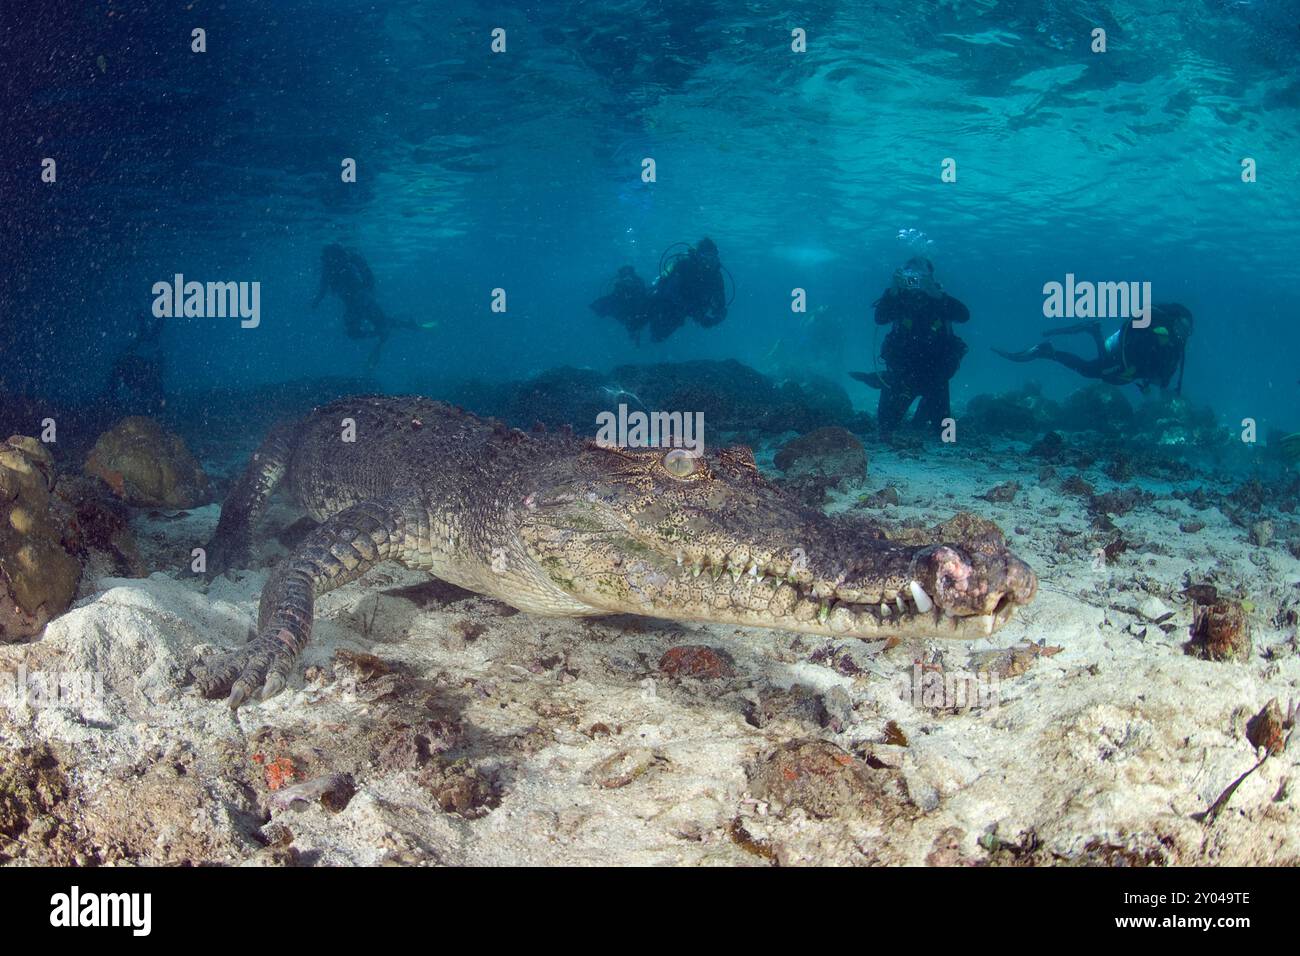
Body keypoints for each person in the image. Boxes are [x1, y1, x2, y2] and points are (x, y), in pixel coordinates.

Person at [849, 257, 970, 439]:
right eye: (911, 275)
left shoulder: (939, 298)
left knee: (946, 435)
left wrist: (935, 293)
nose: (916, 281)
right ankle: (885, 382)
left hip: (936, 374)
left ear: (930, 276)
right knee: (885, 426)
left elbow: (964, 316)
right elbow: (880, 318)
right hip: (903, 374)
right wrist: (893, 290)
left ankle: (924, 409)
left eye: (921, 275)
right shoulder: (899, 298)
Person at [994, 303, 1194, 394]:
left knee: (1089, 370)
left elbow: (1160, 373)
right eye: (1182, 327)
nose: (1183, 334)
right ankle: (1093, 331)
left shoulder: (1173, 347)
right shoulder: (1160, 334)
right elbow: (1138, 351)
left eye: (1187, 330)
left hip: (1126, 367)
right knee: (1096, 372)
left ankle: (1047, 352)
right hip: (1121, 357)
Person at [312, 243, 432, 368]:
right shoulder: (329, 269)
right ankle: (395, 327)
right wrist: (317, 301)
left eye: (326, 257)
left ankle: (402, 326)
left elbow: (368, 279)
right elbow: (323, 288)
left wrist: (365, 295)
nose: (324, 260)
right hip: (354, 305)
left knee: (374, 326)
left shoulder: (349, 262)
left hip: (365, 302)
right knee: (355, 333)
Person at [594, 238, 728, 344]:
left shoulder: (716, 276)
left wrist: (716, 318)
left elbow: (721, 304)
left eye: (713, 258)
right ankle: (628, 284)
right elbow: (670, 292)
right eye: (706, 257)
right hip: (663, 303)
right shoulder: (684, 266)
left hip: (682, 311)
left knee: (657, 338)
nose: (709, 263)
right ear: (698, 256)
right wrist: (694, 311)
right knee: (636, 320)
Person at [103, 312, 166, 414]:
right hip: (142, 371)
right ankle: (145, 319)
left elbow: (156, 383)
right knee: (152, 338)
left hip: (143, 371)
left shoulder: (146, 374)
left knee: (152, 338)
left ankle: (145, 319)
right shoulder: (140, 372)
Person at [590, 265, 652, 344]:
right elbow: (613, 299)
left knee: (635, 320)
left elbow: (643, 295)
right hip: (631, 313)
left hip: (636, 312)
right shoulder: (620, 286)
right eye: (624, 275)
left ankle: (635, 330)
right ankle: (635, 330)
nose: (627, 278)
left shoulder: (637, 282)